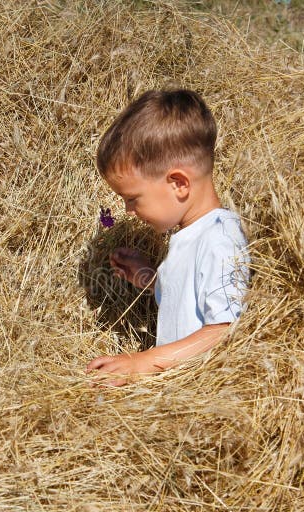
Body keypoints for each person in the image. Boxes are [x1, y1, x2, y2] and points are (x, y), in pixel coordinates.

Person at [86, 89, 249, 386]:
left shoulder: (219, 239)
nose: (128, 210)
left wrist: (144, 361)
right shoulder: (193, 235)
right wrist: (149, 278)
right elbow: (188, 299)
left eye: (133, 198)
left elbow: (225, 329)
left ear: (179, 184)